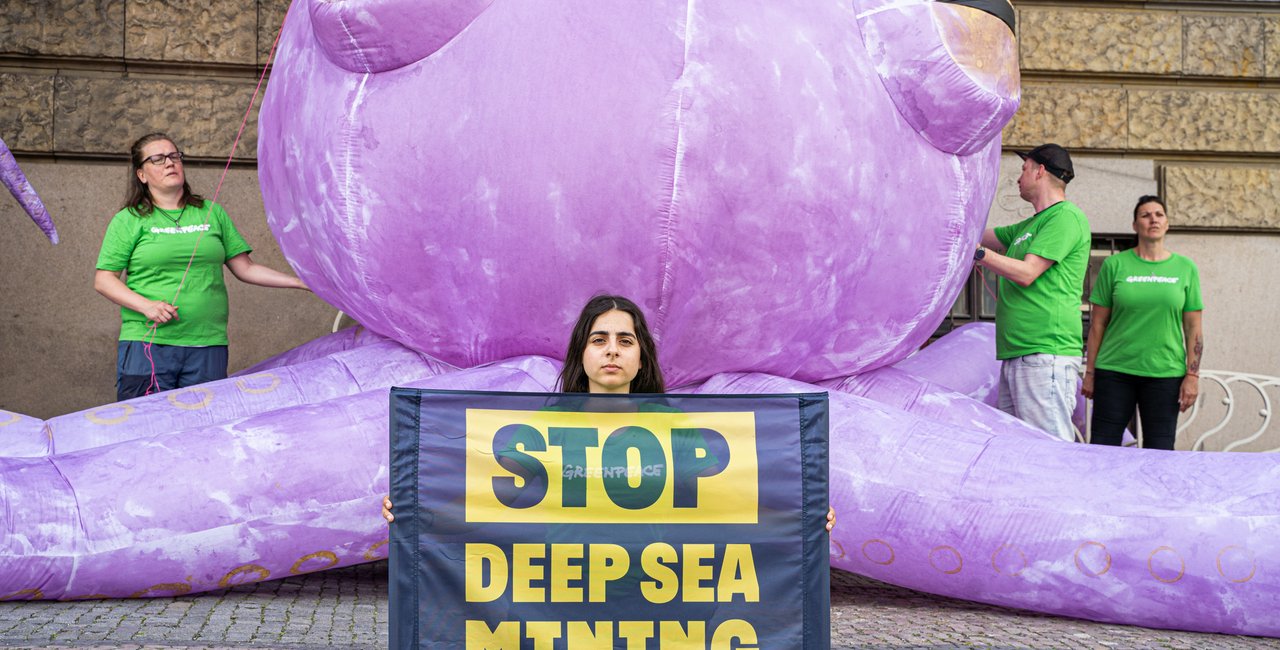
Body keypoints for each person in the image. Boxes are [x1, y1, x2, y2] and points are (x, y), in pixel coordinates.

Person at [383, 294, 836, 531]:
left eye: (625, 341)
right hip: (567, 603)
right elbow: (488, 497)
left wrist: (801, 515)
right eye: (599, 340)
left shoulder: (678, 429)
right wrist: (418, 507)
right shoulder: (545, 429)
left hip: (656, 602)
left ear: (642, 357)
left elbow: (733, 498)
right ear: (581, 354)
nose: (612, 351)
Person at [94, 132, 308, 401]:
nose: (169, 163)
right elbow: (104, 280)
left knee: (202, 432)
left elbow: (246, 268)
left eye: (174, 156)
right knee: (149, 430)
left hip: (208, 344)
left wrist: (301, 282)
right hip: (148, 343)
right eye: (158, 159)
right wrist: (146, 306)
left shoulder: (212, 212)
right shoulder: (129, 219)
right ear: (142, 175)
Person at [974, 143, 1091, 442]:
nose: (1018, 178)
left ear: (1040, 171)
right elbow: (973, 234)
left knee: (1047, 453)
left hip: (1044, 354)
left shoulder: (1065, 217)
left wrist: (979, 255)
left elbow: (1027, 273)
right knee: (1020, 452)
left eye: (1023, 169)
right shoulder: (1028, 226)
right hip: (1020, 354)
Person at [1082, 196, 1203, 450]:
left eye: (1159, 214)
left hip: (1165, 374)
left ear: (1167, 223)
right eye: (1145, 215)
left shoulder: (1185, 268)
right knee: (1103, 450)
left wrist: (1192, 375)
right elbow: (1097, 325)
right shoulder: (1115, 265)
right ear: (1135, 225)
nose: (1153, 219)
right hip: (1114, 371)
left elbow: (1193, 328)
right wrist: (1090, 373)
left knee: (1160, 452)